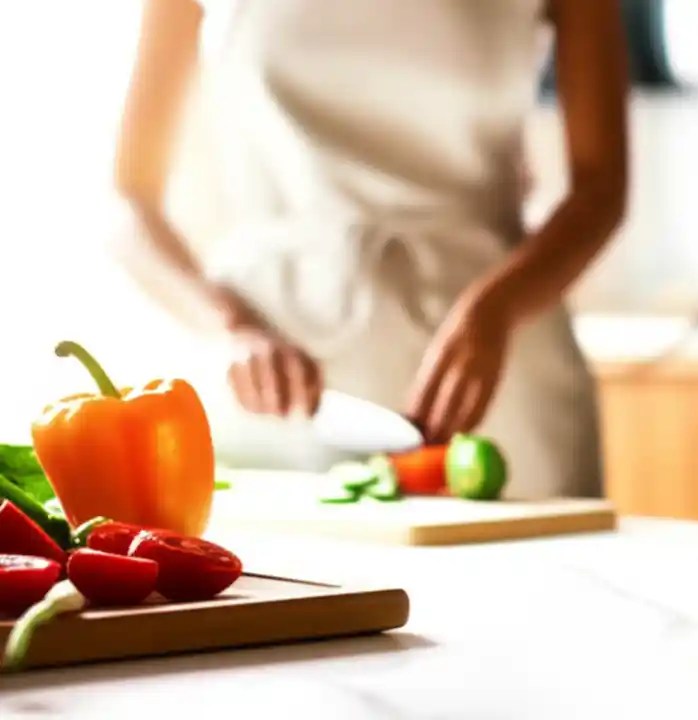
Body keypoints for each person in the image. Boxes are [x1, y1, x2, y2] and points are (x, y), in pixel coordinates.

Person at [109, 0, 629, 498]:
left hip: (500, 375)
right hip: (274, 387)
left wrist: (495, 309)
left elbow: (600, 189)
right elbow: (127, 200)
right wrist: (231, 326)